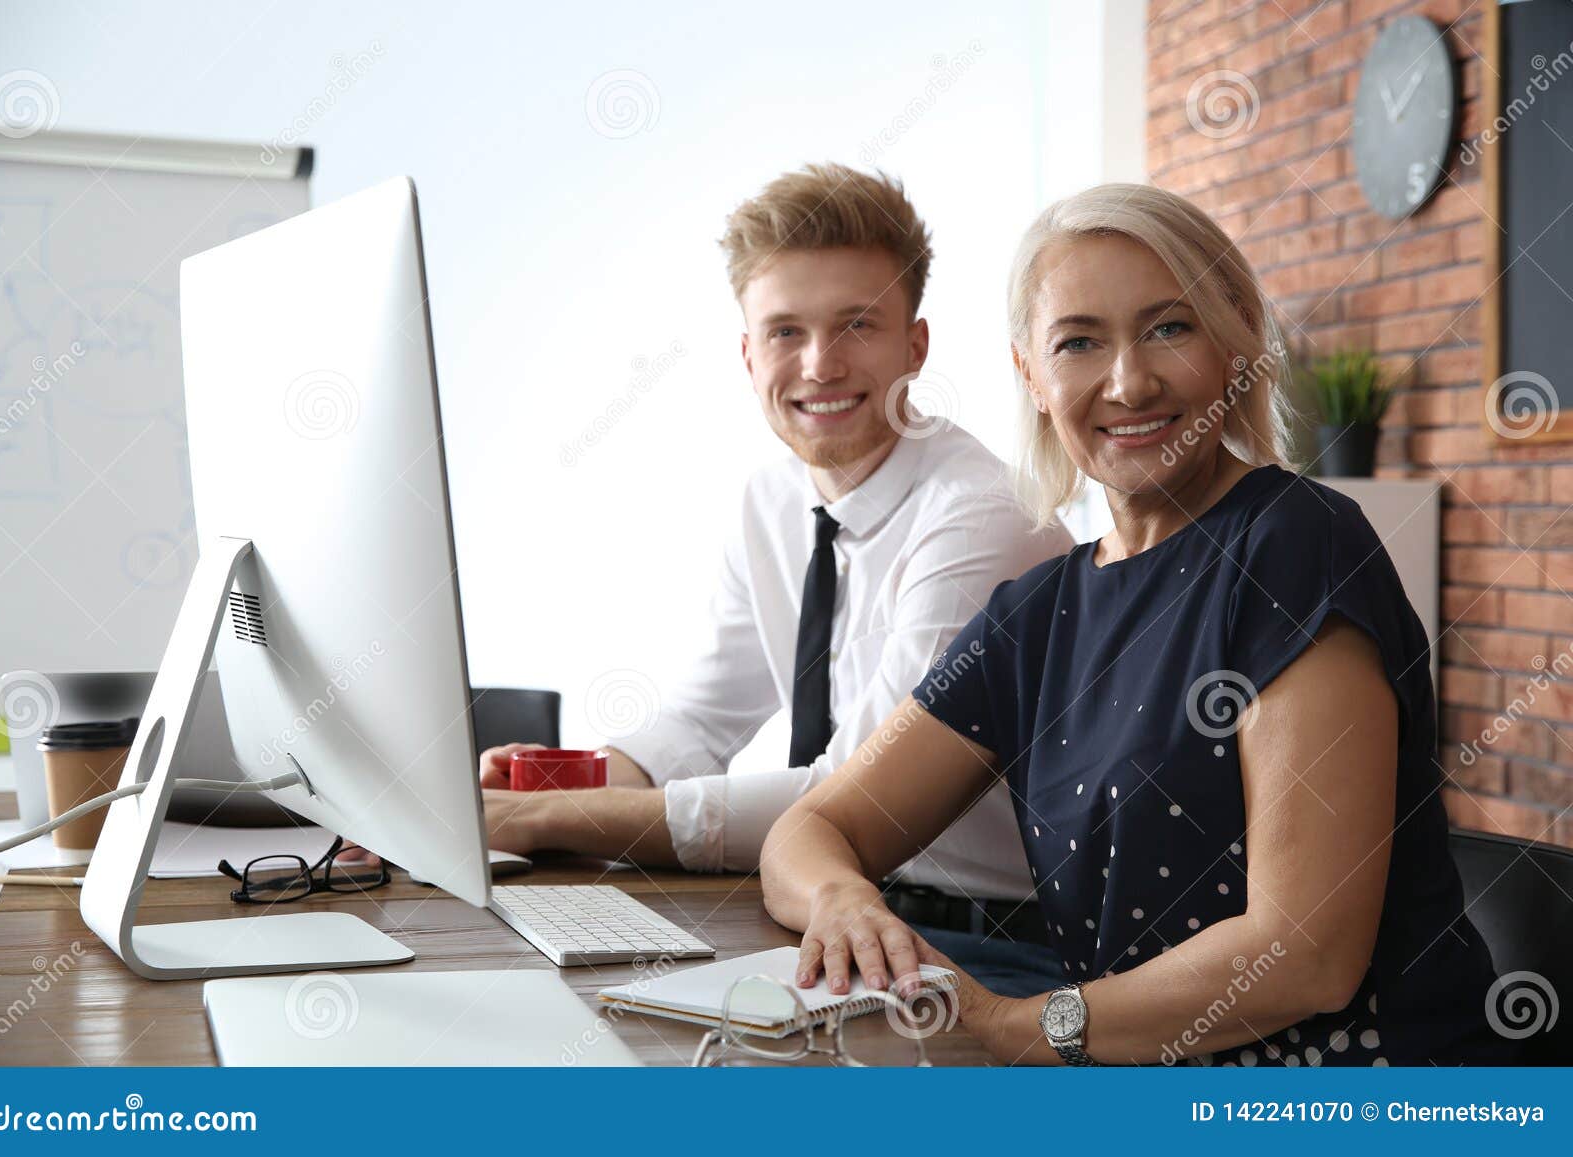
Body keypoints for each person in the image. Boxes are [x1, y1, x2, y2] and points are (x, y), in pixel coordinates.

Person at [759, 182, 1518, 1066]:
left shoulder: (1296, 544)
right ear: (1033, 378)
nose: (1129, 381)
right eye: (1078, 342)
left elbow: (1305, 954)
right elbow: (808, 832)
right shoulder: (1035, 617)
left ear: (1235, 337)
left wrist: (1021, 1024)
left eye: (1170, 327)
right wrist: (843, 899)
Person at [477, 163, 1074, 994]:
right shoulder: (771, 500)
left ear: (917, 344)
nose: (820, 364)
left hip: (982, 948)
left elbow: (856, 796)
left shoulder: (982, 515)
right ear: (748, 352)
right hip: (826, 911)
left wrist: (547, 820)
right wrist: (556, 778)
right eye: (786, 331)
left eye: (857, 324)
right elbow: (698, 719)